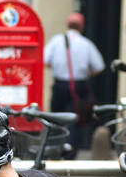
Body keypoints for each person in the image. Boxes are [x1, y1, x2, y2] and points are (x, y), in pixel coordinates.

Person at [42, 12, 104, 153]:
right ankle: (71, 151)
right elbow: (99, 66)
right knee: (74, 118)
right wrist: (87, 73)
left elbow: (45, 60)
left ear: (67, 25)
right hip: (78, 86)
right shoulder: (86, 44)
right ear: (82, 27)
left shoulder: (56, 41)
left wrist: (57, 67)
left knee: (55, 118)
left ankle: (54, 148)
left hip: (60, 85)